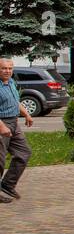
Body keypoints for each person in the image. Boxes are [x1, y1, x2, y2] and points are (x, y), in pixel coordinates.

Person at [0, 58, 34, 204]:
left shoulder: (11, 82)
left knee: (24, 153)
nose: (7, 71)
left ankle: (8, 184)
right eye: (4, 68)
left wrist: (26, 114)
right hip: (2, 123)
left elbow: (15, 102)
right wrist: (2, 127)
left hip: (14, 123)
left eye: (10, 68)